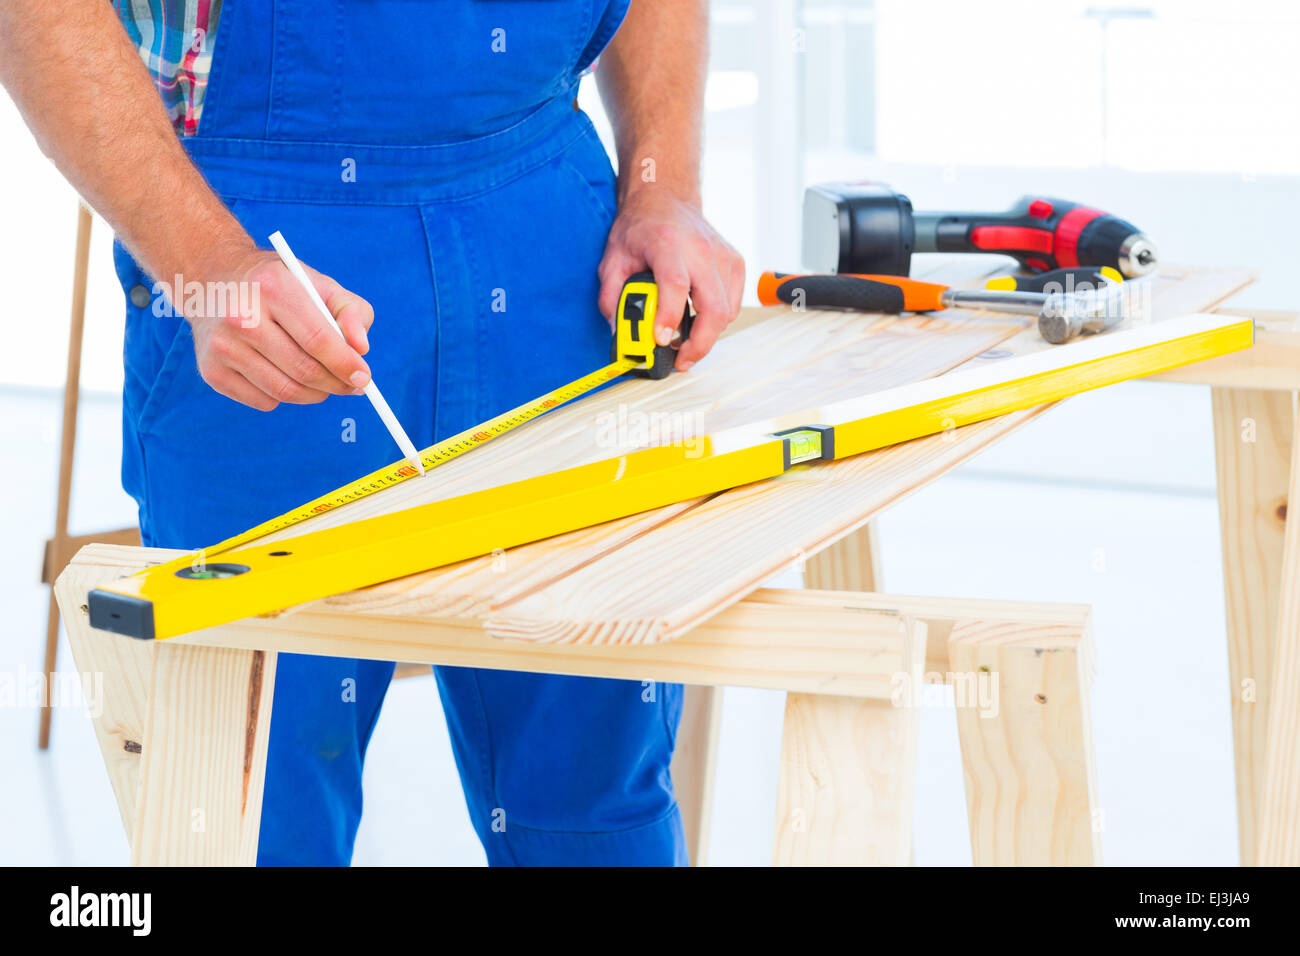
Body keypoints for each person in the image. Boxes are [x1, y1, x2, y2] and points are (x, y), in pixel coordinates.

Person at [0, 0, 743, 866]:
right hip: (264, 262)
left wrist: (664, 188)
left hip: (551, 256)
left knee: (595, 797)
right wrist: (203, 263)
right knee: (255, 810)